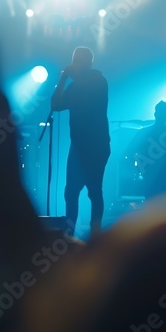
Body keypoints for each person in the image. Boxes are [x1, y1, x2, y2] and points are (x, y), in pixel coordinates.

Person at [51, 46, 110, 237]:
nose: (76, 64)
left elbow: (89, 94)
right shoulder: (75, 85)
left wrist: (70, 76)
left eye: (79, 60)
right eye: (74, 59)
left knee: (94, 191)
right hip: (77, 146)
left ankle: (96, 235)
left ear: (89, 62)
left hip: (96, 146)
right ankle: (68, 234)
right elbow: (56, 105)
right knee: (71, 192)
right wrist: (62, 79)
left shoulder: (99, 81)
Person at [125, 100, 166, 204]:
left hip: (156, 179)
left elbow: (128, 153)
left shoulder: (144, 133)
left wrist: (138, 169)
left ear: (155, 114)